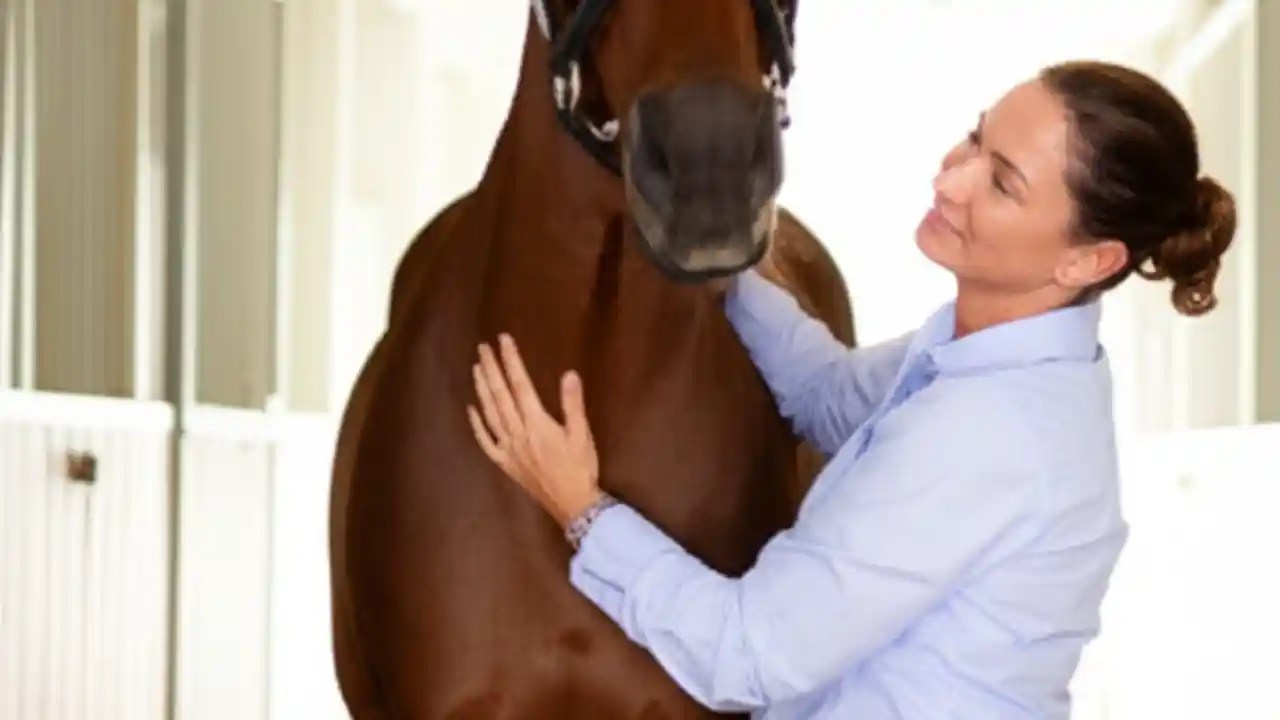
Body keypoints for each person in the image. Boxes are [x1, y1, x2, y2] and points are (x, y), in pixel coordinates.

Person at [465, 60, 1237, 719]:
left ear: (1086, 262)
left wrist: (581, 509)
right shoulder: (986, 356)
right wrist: (726, 273)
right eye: (976, 137)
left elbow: (749, 652)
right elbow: (829, 393)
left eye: (1001, 183)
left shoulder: (993, 432)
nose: (951, 177)